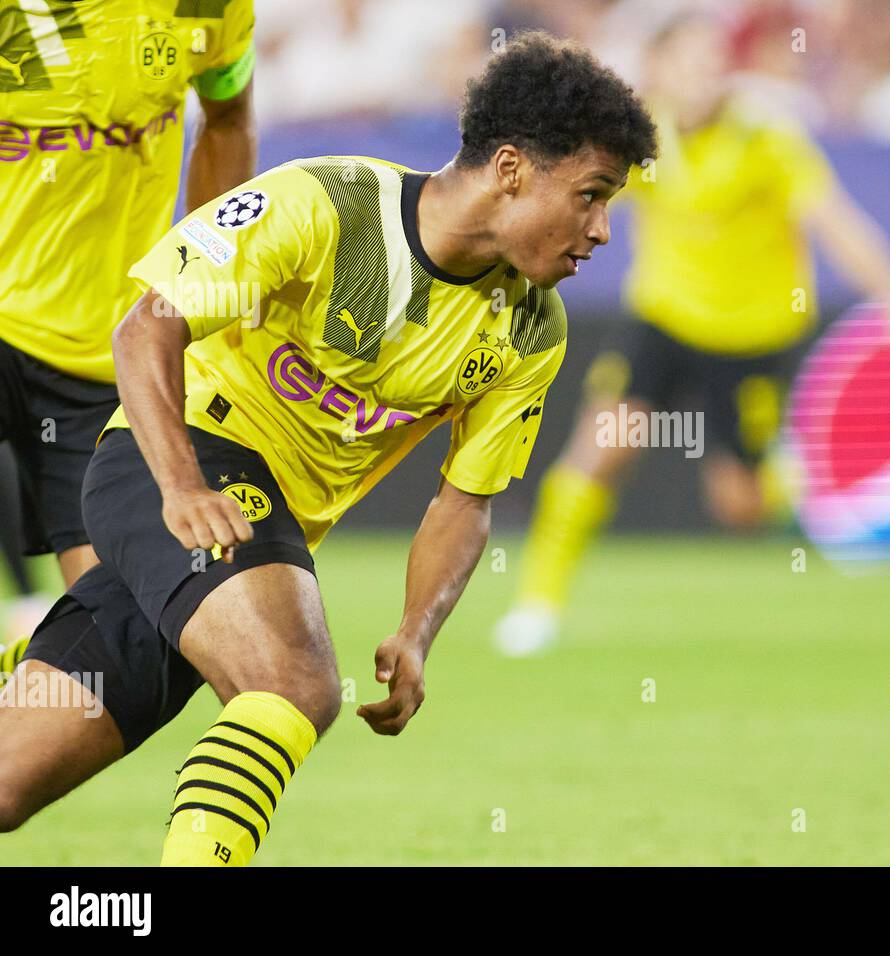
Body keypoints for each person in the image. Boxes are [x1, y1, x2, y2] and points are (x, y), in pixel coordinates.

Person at [0, 31, 657, 867]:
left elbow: (466, 500)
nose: (601, 230)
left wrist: (417, 632)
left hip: (246, 536)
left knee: (9, 786)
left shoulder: (531, 330)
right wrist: (179, 486)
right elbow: (147, 327)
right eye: (591, 195)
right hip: (183, 466)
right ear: (510, 168)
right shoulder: (327, 204)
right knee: (294, 686)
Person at [494, 16, 890, 656]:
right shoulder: (637, 139)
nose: (701, 76)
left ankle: (795, 481)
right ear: (658, 72)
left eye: (711, 62)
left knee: (740, 508)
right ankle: (537, 606)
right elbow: (566, 202)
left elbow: (835, 221)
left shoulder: (767, 138)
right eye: (686, 63)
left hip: (753, 336)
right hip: (664, 318)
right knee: (600, 449)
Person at [0, 0, 257, 669]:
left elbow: (227, 116)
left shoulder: (211, 7)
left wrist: (203, 292)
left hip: (104, 353)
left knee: (116, 637)